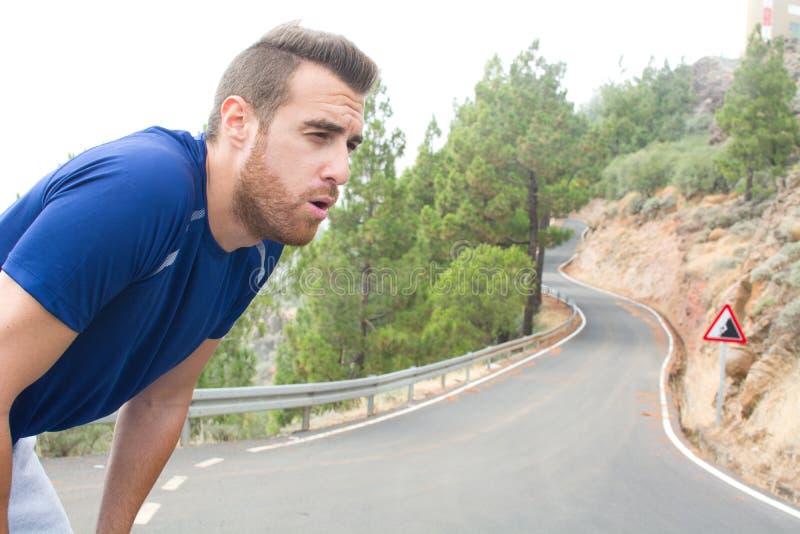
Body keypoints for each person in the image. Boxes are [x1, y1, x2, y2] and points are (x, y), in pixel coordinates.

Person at [0, 22, 377, 533]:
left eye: (349, 145)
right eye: (318, 135)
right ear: (239, 120)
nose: (341, 169)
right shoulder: (141, 191)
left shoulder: (259, 244)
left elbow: (162, 397)